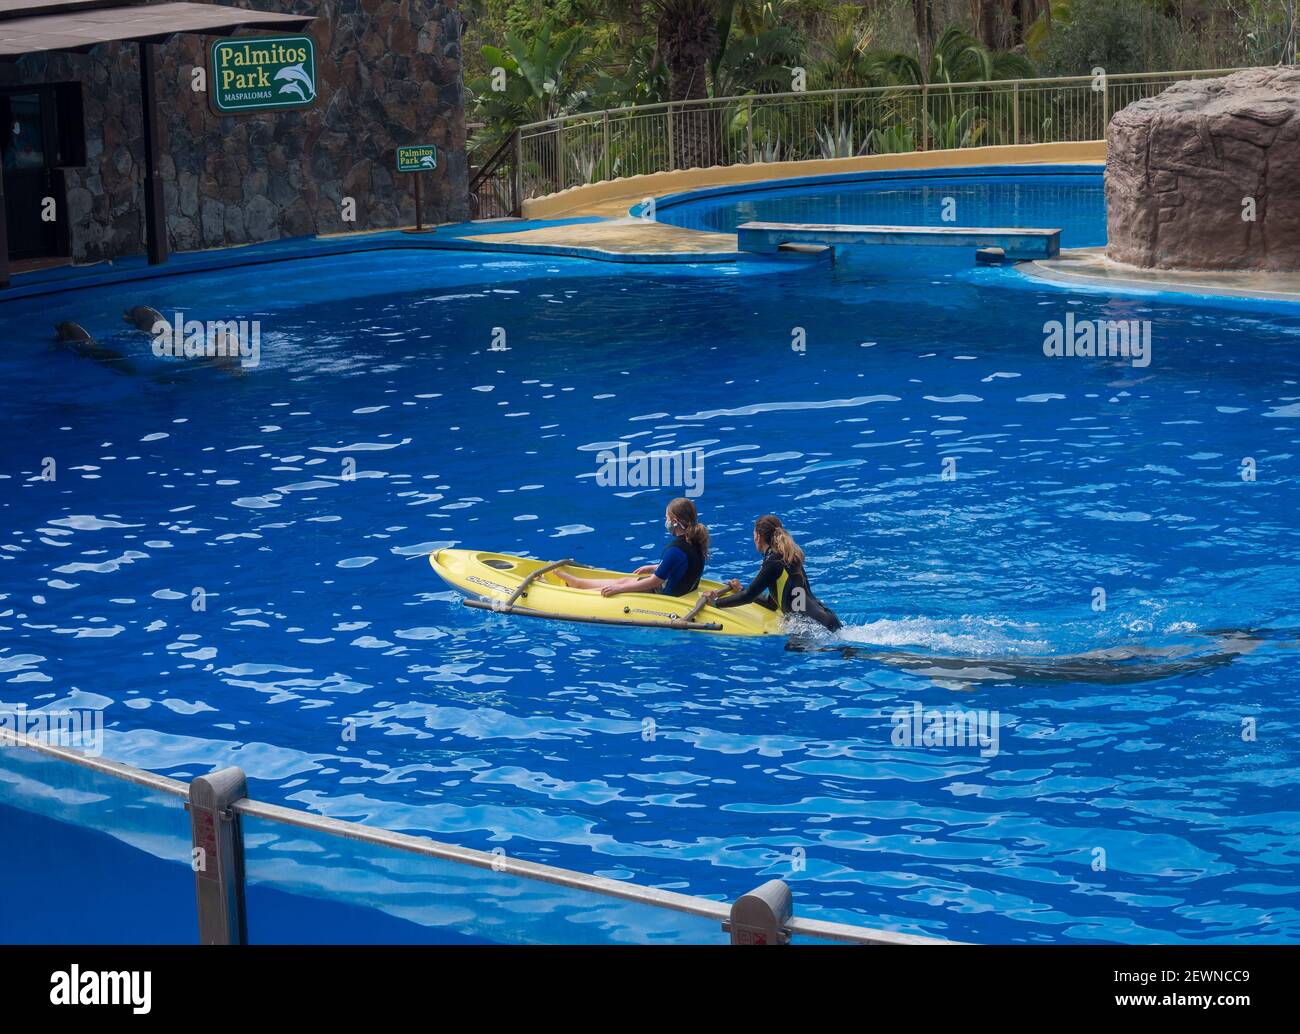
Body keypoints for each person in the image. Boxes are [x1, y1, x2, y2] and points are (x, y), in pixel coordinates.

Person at [705, 514, 842, 631]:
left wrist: (716, 603)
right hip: (827, 617)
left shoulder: (773, 562)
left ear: (758, 537)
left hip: (812, 626)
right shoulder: (790, 556)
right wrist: (741, 589)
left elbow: (748, 597)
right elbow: (772, 602)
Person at [555, 498, 709, 598]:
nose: (665, 521)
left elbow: (654, 582)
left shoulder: (675, 550)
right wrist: (653, 567)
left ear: (675, 521)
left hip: (667, 595)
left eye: (667, 518)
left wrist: (620, 590)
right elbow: (683, 564)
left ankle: (575, 593)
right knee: (624, 580)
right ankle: (579, 583)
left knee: (619, 586)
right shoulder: (696, 541)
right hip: (681, 591)